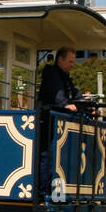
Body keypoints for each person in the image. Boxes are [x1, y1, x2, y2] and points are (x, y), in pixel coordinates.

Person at [38, 47, 81, 192]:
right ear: (60, 60)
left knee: (60, 160)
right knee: (49, 159)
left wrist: (84, 104)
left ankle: (58, 193)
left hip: (58, 126)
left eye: (74, 62)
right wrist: (65, 105)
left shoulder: (65, 77)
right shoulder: (51, 73)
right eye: (70, 61)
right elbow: (58, 96)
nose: (72, 65)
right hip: (49, 125)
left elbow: (74, 93)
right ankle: (44, 192)